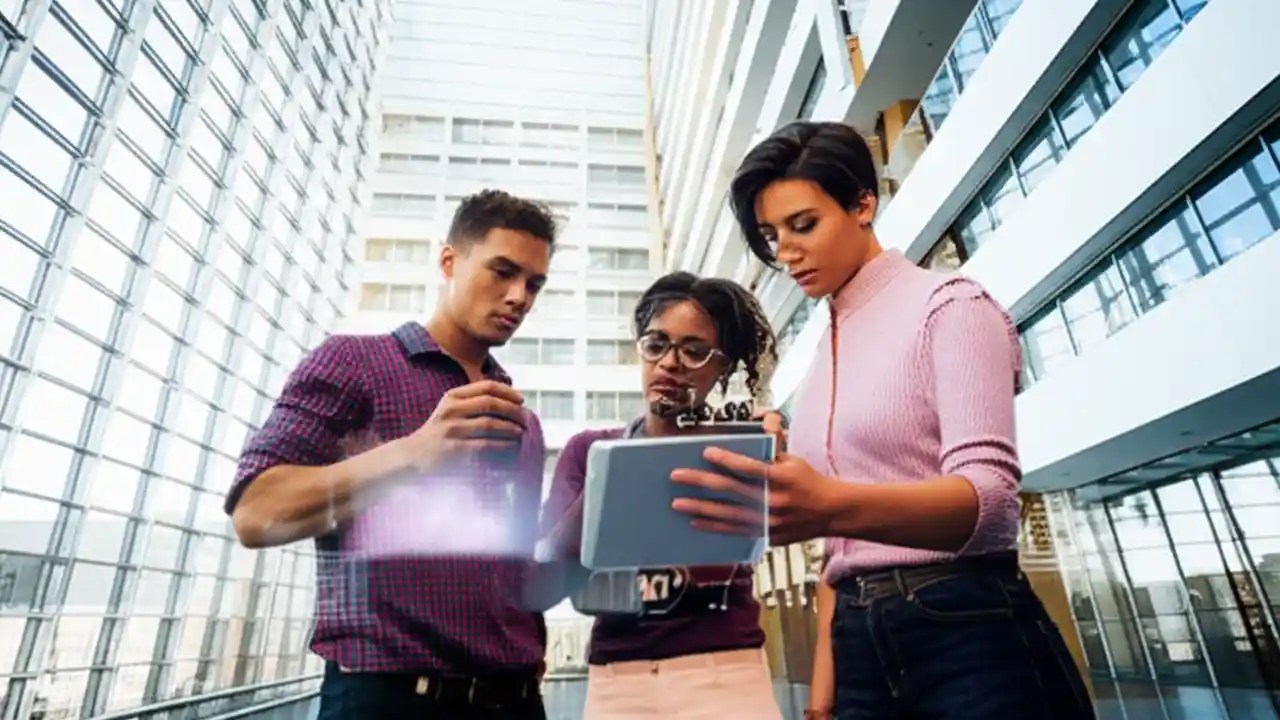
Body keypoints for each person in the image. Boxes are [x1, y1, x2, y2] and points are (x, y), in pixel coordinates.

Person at [668, 121, 1094, 719]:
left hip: (964, 623)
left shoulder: (950, 306)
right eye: (771, 235)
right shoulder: (821, 357)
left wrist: (828, 504)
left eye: (804, 224)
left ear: (863, 204)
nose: (785, 252)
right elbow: (838, 545)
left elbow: (994, 503)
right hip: (856, 636)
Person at [226, 190, 557, 719]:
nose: (519, 295)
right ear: (449, 261)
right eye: (502, 271)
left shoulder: (523, 421)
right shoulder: (355, 363)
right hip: (391, 700)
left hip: (516, 700)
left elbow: (516, 573)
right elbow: (256, 514)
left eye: (534, 283)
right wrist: (415, 455)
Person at [539, 272, 784, 719]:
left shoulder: (736, 449)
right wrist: (609, 477)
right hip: (618, 682)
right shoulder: (588, 451)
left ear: (722, 367)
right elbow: (550, 580)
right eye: (656, 345)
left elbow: (727, 565)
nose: (670, 363)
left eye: (694, 352)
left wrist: (771, 457)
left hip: (724, 673)